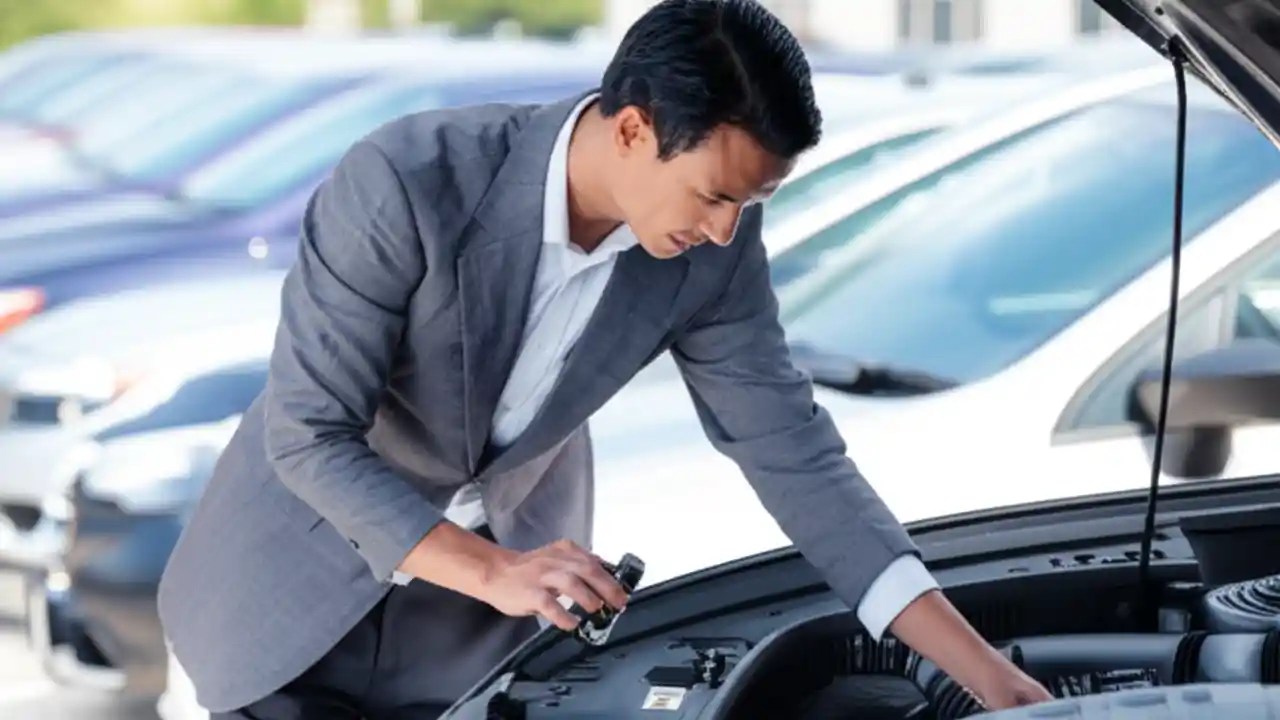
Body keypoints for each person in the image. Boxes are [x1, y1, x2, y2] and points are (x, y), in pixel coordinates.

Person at [158, 1, 1054, 717]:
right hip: (296, 594)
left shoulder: (715, 251)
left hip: (476, 634)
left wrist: (988, 678)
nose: (724, 229)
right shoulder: (406, 180)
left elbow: (797, 457)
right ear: (632, 128)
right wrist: (494, 573)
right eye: (713, 194)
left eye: (752, 201)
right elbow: (311, 434)